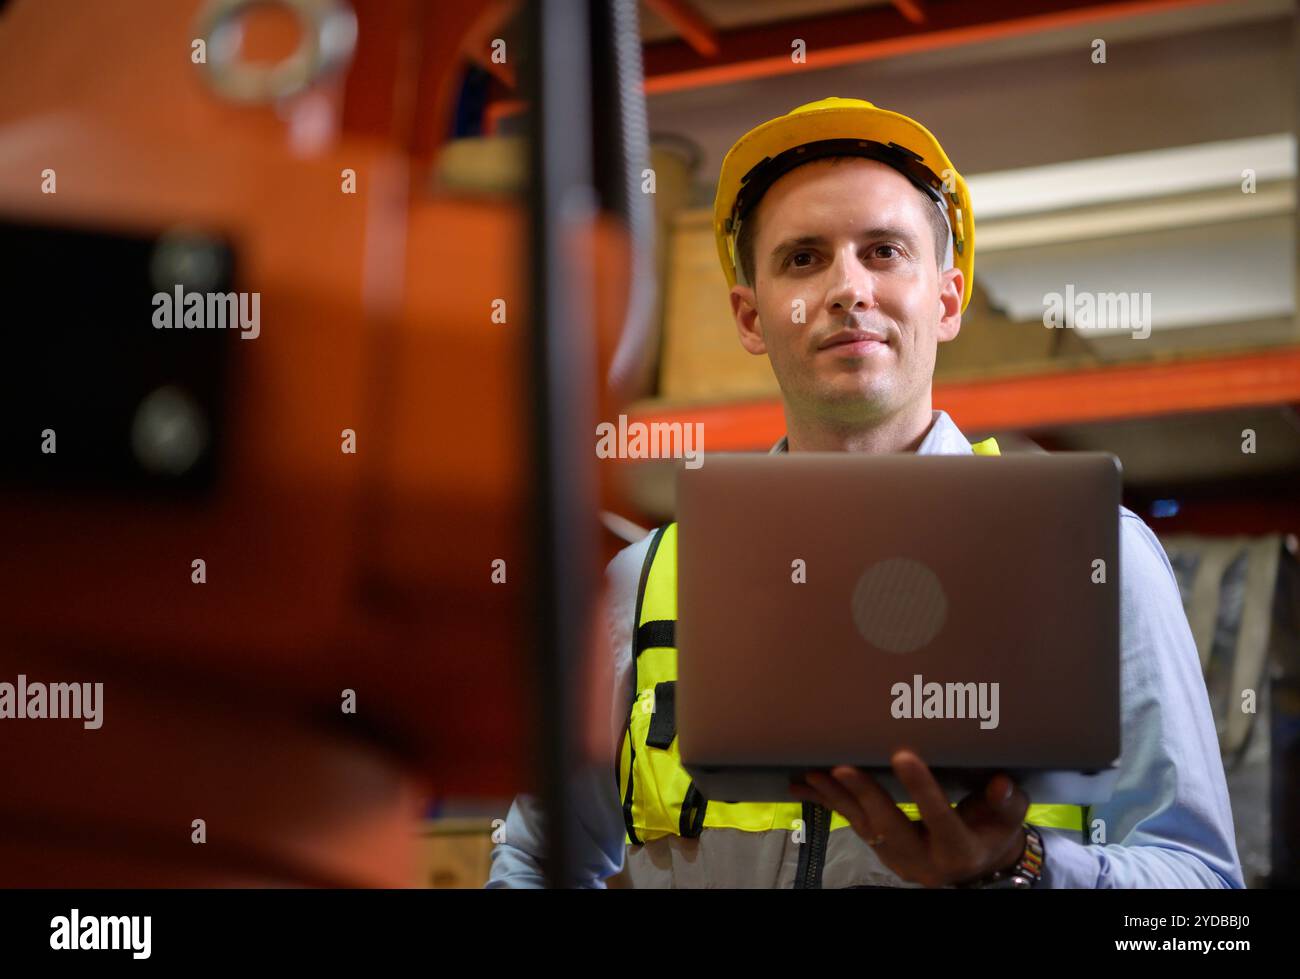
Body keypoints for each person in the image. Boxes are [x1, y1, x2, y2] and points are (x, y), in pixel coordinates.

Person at [487, 97, 1243, 888]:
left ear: (946, 300)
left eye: (883, 250)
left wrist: (1020, 866)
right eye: (803, 258)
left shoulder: (1094, 557)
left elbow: (1201, 909)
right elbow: (535, 856)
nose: (849, 287)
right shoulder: (641, 585)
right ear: (751, 315)